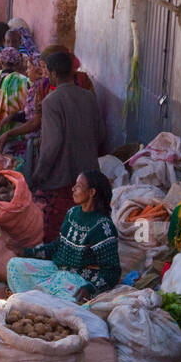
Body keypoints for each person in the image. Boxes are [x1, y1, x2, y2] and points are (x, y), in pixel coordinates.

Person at [8, 170, 120, 301]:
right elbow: (58, 246)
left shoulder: (102, 226)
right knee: (14, 265)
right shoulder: (72, 213)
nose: (73, 189)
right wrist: (27, 251)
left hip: (78, 280)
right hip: (58, 271)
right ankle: (40, 298)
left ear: (91, 192)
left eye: (78, 186)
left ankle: (46, 298)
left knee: (66, 294)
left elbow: (112, 271)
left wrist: (90, 288)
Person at [31, 50, 104, 243]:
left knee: (58, 233)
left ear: (54, 73)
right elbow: (100, 134)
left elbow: (52, 144)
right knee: (82, 232)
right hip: (88, 175)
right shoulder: (89, 97)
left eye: (47, 71)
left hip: (61, 181)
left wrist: (39, 175)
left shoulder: (51, 102)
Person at [0, 45, 30, 155]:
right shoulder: (23, 80)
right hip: (15, 133)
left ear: (1, 61)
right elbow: (27, 108)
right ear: (18, 63)